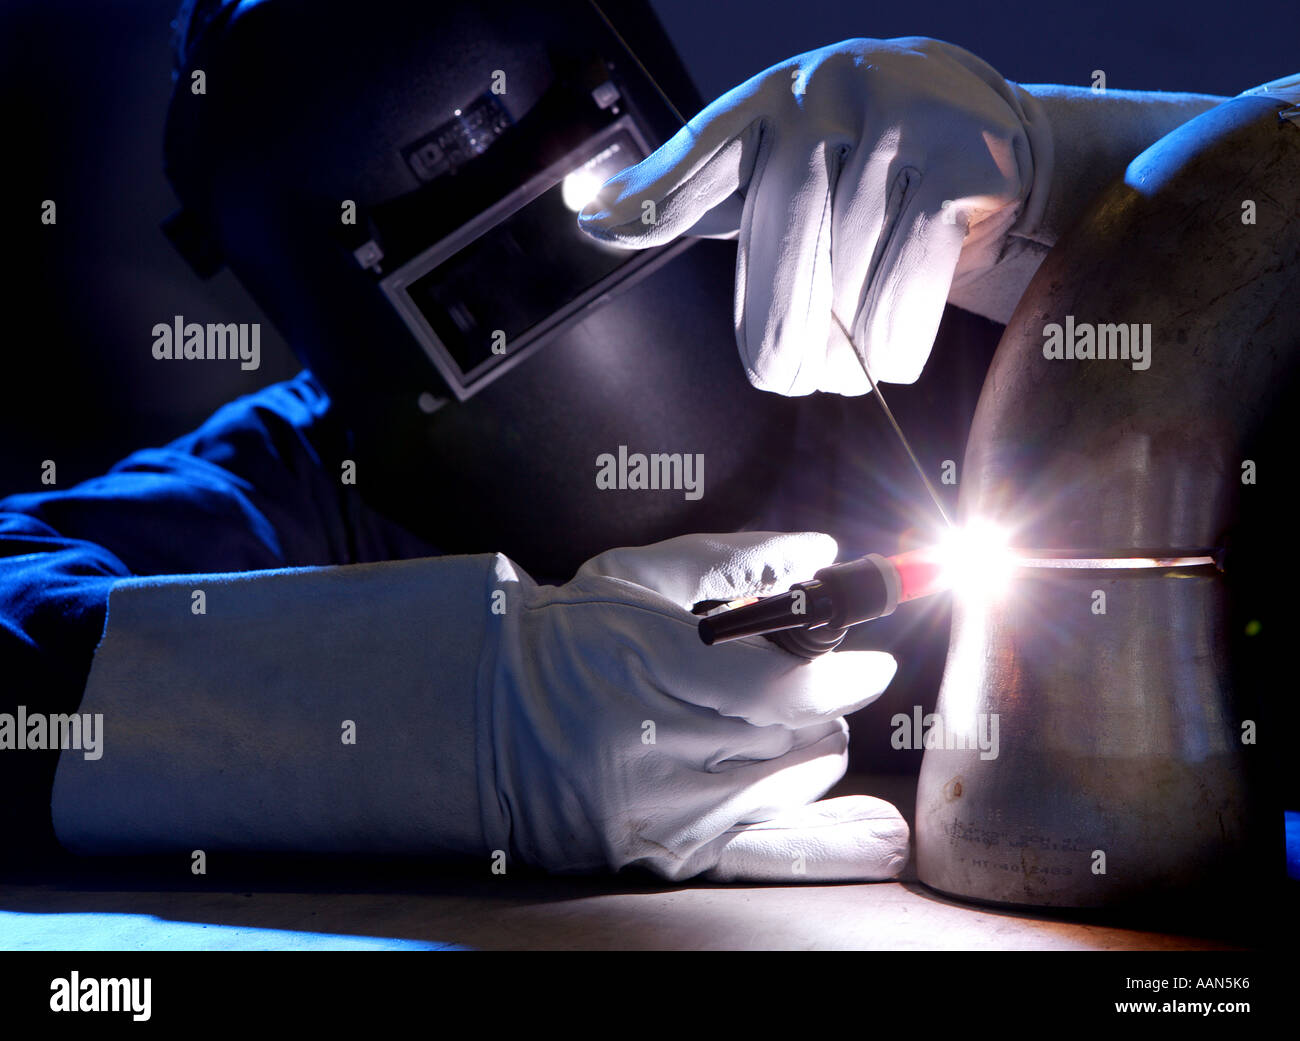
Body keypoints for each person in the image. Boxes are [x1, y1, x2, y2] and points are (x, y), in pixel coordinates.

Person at [0, 0, 1225, 881]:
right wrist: (463, 717)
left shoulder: (936, 290)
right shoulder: (303, 482)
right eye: (456, 292)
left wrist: (1093, 187)